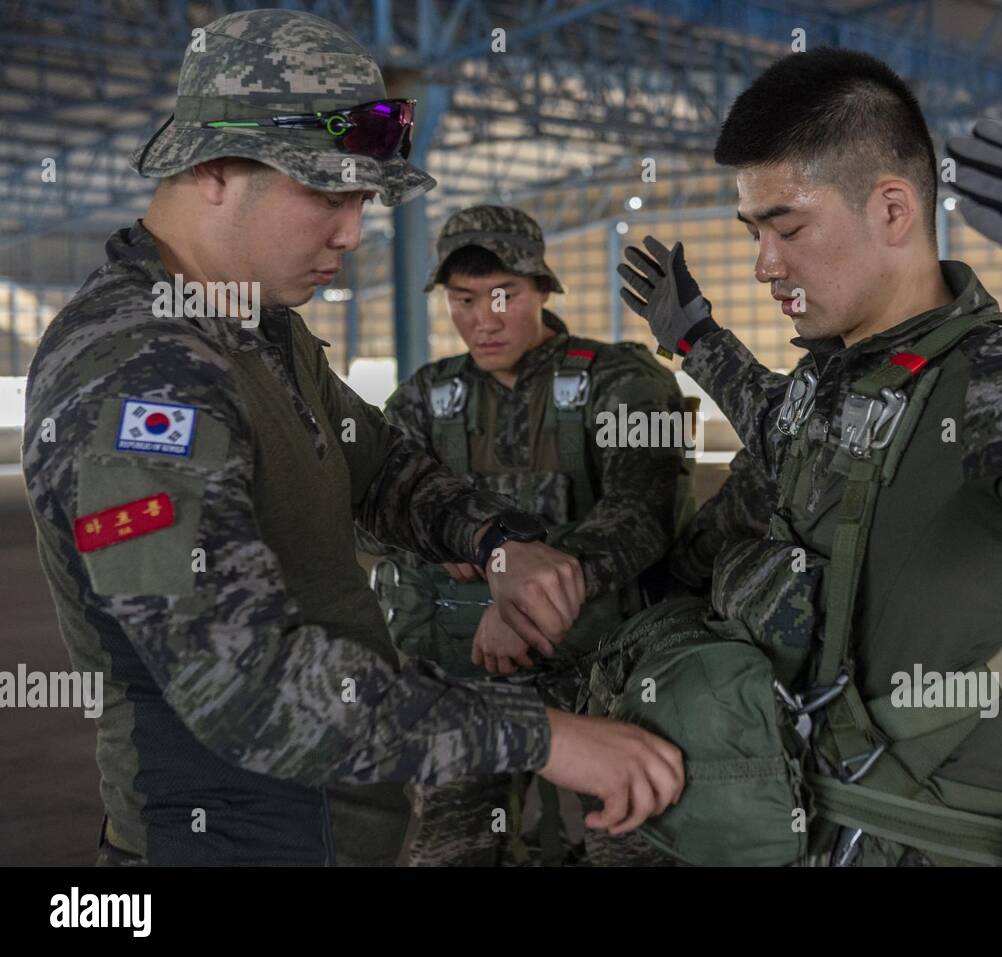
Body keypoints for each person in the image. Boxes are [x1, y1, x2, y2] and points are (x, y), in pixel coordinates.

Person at [22, 7, 682, 867]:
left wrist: (496, 544)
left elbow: (376, 468)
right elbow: (247, 683)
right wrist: (543, 735)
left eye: (362, 200)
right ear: (216, 168)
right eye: (328, 197)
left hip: (330, 829)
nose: (353, 233)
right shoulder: (142, 371)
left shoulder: (253, 323)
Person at [617, 47, 1002, 865]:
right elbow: (780, 420)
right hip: (801, 819)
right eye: (754, 232)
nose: (764, 264)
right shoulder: (832, 376)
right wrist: (695, 338)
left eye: (786, 227)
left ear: (894, 209)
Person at [363, 204, 689, 865]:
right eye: (463, 299)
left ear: (543, 288)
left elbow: (643, 514)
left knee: (630, 844)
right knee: (450, 850)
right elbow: (376, 512)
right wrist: (445, 542)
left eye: (504, 295)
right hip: (467, 677)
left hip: (607, 677)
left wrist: (522, 596)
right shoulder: (425, 398)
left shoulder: (621, 381)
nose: (483, 318)